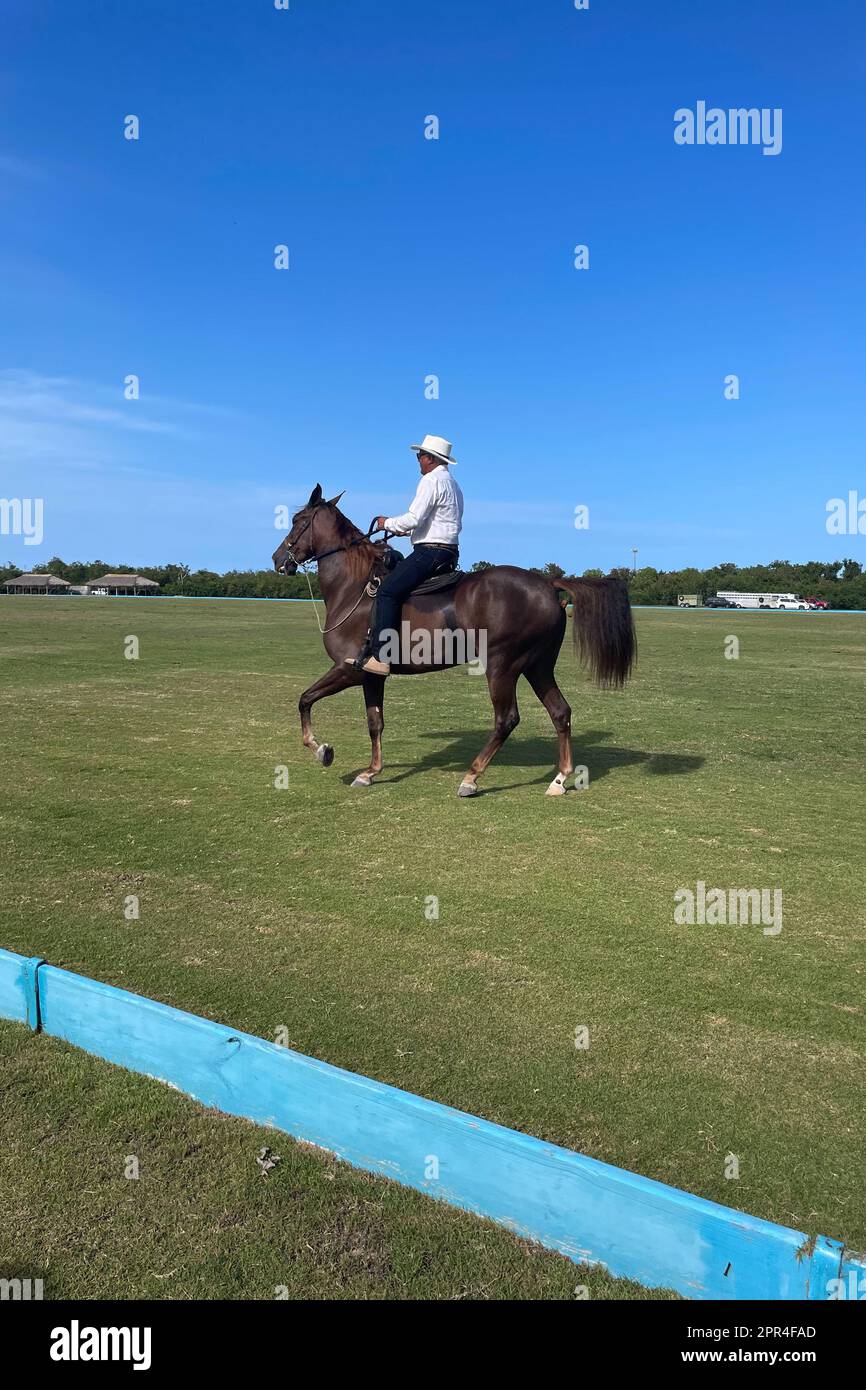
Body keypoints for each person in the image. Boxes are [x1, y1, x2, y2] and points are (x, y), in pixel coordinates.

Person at [348, 434, 464, 676]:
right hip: (448, 551)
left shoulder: (431, 481)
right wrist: (406, 531)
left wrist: (386, 523)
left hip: (430, 552)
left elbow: (414, 518)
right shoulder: (453, 484)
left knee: (387, 591)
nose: (418, 460)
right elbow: (434, 521)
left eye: (420, 455)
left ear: (431, 458)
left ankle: (382, 657)